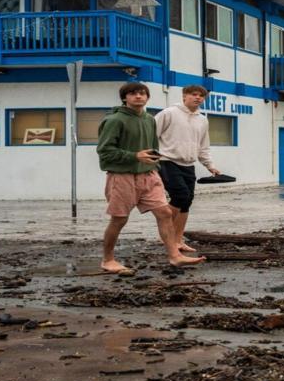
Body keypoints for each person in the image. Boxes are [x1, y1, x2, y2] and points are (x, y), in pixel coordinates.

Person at [95, 82, 202, 274]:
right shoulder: (114, 120)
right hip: (122, 176)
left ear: (147, 97)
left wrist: (155, 166)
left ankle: (174, 256)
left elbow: (153, 148)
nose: (138, 97)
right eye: (133, 94)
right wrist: (134, 156)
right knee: (119, 219)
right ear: (125, 97)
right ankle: (108, 260)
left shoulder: (149, 119)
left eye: (142, 93)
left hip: (149, 175)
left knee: (165, 213)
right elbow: (104, 151)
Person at [154, 84, 222, 254]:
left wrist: (210, 165)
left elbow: (203, 145)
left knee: (186, 202)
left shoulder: (202, 119)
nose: (198, 98)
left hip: (188, 164)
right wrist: (150, 160)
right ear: (184, 96)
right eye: (194, 94)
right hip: (167, 160)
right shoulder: (169, 113)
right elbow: (150, 135)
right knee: (180, 195)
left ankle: (178, 240)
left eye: (201, 96)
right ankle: (165, 231)